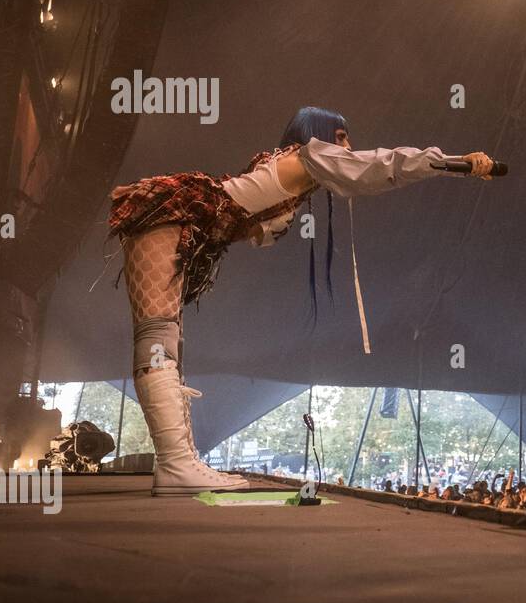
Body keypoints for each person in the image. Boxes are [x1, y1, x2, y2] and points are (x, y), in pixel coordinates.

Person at [108, 106, 495, 496]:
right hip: (173, 212)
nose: (348, 145)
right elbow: (379, 166)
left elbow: (256, 225)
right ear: (319, 133)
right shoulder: (310, 154)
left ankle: (177, 461)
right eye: (340, 136)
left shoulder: (289, 167)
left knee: (163, 339)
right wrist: (451, 163)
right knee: (157, 337)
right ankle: (176, 465)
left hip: (180, 220)